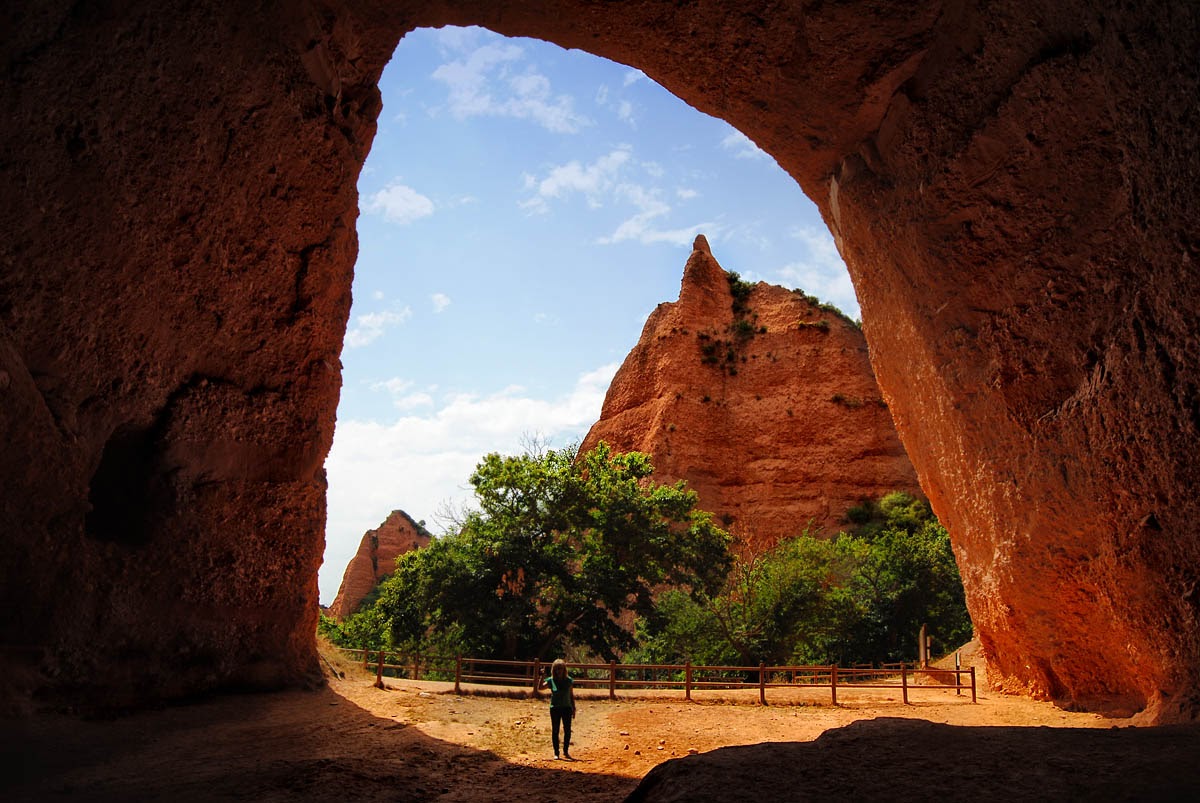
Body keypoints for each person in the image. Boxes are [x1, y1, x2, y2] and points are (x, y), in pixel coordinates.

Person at [539, 658, 576, 759]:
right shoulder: (551, 681)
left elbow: (571, 695)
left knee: (567, 730)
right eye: (557, 669)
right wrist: (542, 676)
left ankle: (565, 751)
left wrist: (574, 708)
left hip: (566, 707)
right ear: (553, 670)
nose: (559, 671)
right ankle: (556, 752)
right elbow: (540, 688)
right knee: (555, 730)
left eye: (560, 669)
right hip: (555, 708)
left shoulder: (569, 681)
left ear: (564, 669)